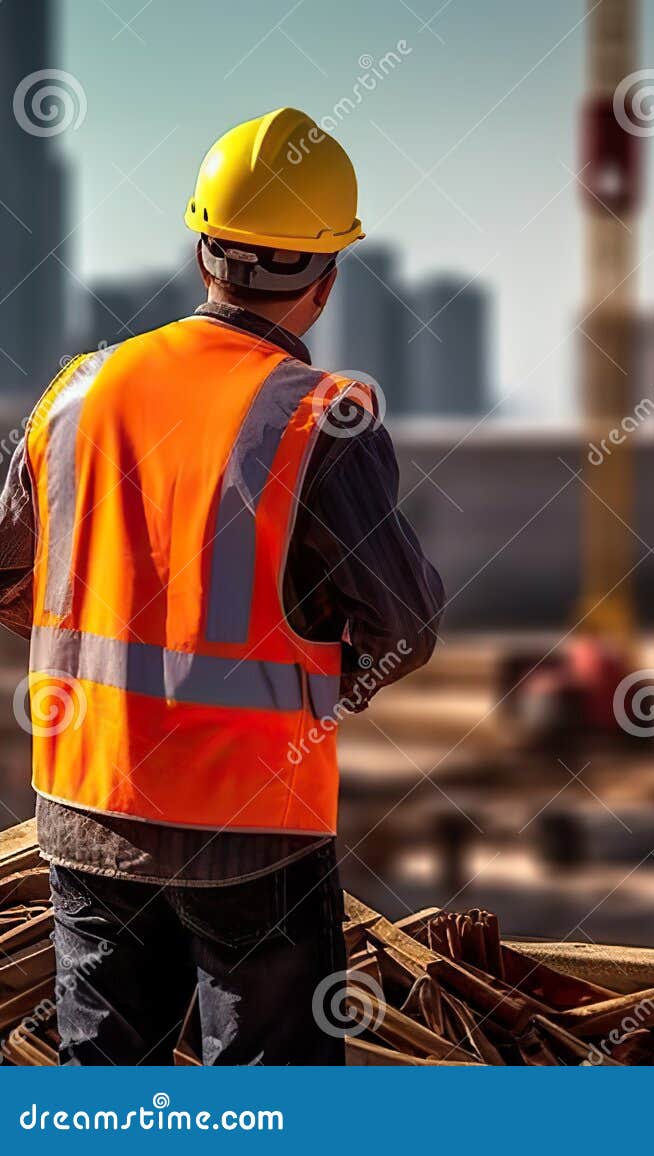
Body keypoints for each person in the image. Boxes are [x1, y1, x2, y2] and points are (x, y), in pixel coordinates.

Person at [0, 108, 443, 1065]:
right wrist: (320, 672)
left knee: (104, 1096)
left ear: (205, 250)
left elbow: (8, 572)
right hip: (251, 825)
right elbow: (403, 626)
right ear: (324, 282)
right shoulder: (323, 417)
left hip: (86, 801)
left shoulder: (76, 392)